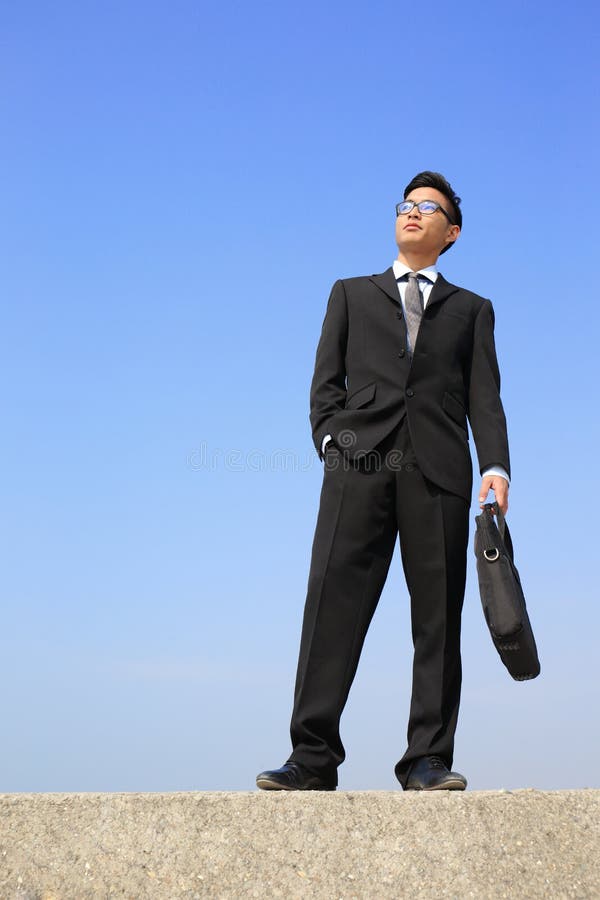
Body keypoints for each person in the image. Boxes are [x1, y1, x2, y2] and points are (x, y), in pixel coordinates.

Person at [256, 171, 511, 792]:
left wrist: (496, 468)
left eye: (429, 208)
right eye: (407, 205)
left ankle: (426, 759)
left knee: (437, 618)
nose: (413, 213)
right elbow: (324, 386)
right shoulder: (350, 293)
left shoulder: (472, 310)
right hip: (359, 467)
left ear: (451, 232)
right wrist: (330, 443)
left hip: (440, 471)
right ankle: (311, 758)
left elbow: (485, 395)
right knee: (331, 610)